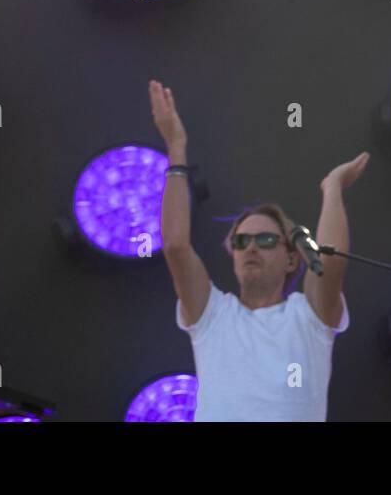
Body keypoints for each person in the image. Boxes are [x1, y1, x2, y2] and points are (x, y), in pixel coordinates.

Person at [148, 78, 367, 421]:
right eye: (240, 241)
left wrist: (333, 188)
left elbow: (330, 261)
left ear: (292, 258)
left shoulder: (307, 317)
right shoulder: (213, 315)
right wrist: (176, 147)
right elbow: (175, 246)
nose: (250, 248)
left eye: (265, 240)